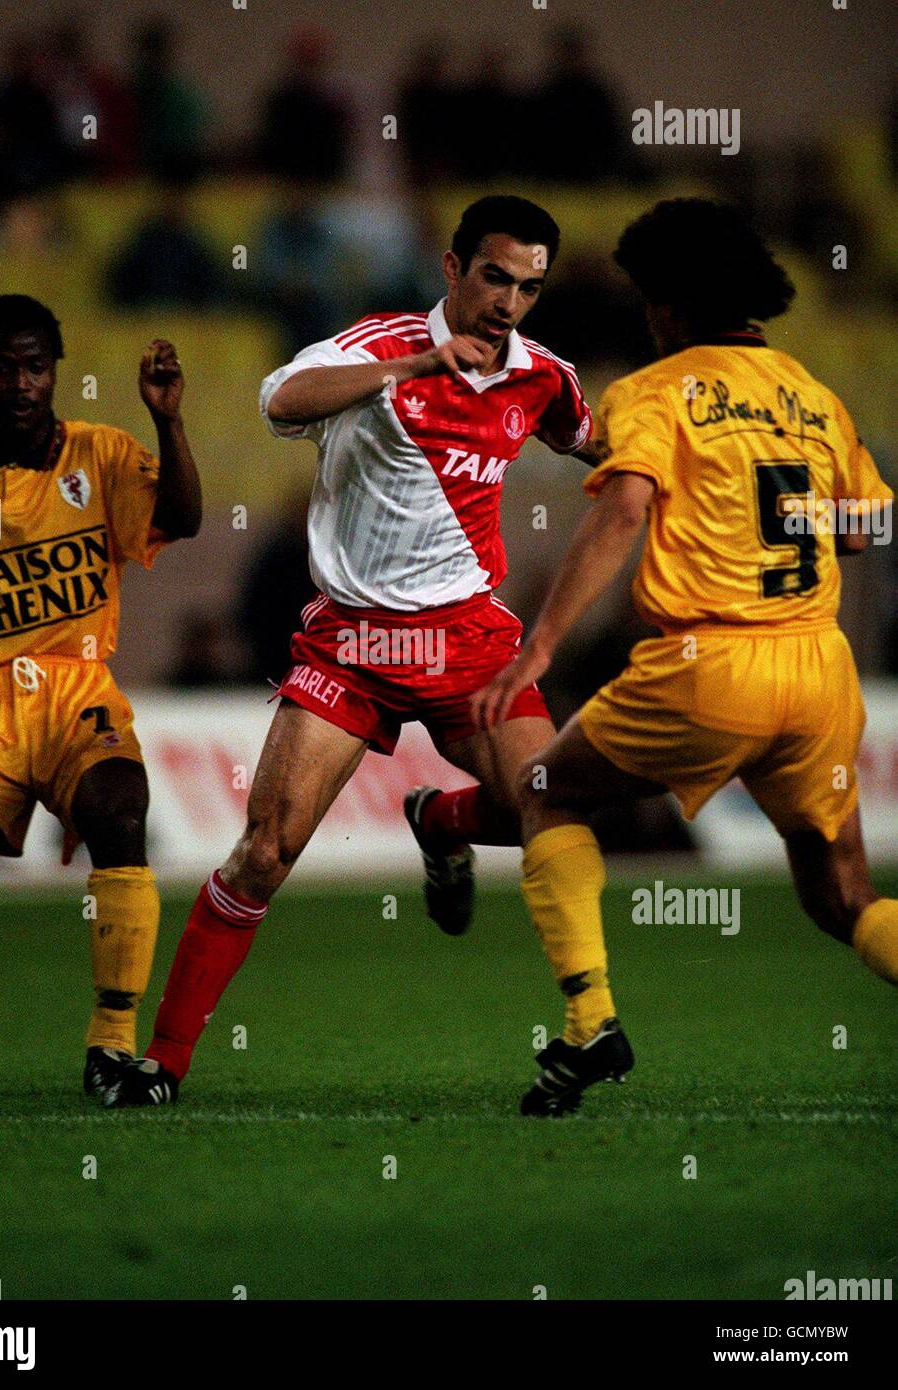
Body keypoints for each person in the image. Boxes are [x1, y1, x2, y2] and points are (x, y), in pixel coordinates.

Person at [107, 195, 593, 1105]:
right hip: (352, 645)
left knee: (554, 807)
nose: (509, 303)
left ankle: (441, 824)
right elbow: (278, 399)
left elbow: (599, 449)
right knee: (262, 854)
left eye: (529, 287)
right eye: (495, 277)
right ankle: (160, 1065)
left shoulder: (544, 379)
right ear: (453, 268)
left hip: (467, 639)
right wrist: (412, 365)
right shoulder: (378, 344)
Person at [470, 199, 896, 1116]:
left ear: (667, 305)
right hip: (821, 669)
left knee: (547, 790)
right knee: (845, 895)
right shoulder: (812, 393)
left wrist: (538, 645)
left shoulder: (658, 390)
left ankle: (591, 1020)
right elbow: (870, 527)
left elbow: (623, 509)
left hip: (711, 665)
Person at [0, 294, 201, 1097]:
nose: (21, 382)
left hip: (75, 693)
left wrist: (168, 421)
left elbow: (186, 520)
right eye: (2, 366)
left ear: (54, 368)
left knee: (121, 813)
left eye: (36, 365)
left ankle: (111, 1047)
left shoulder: (101, 454)